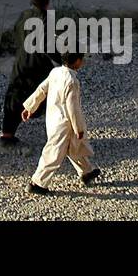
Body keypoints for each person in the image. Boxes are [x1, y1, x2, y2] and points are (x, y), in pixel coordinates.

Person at [23, 49, 100, 194]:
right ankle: (37, 183)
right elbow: (73, 108)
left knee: (74, 147)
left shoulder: (55, 72)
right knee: (54, 153)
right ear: (77, 61)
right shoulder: (72, 81)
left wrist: (30, 107)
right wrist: (79, 128)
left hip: (53, 119)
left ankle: (87, 172)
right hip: (65, 123)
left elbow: (41, 90)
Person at [0, 0, 61, 146]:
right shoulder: (47, 18)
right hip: (38, 65)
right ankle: (59, 136)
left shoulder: (24, 15)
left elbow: (16, 31)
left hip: (22, 61)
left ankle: (7, 135)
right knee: (50, 99)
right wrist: (63, 62)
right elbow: (48, 46)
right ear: (48, 1)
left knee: (14, 97)